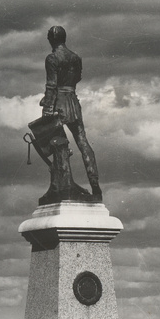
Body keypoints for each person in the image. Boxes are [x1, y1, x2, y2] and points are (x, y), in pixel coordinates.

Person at [39, 26, 101, 202]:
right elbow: (78, 77)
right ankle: (95, 184)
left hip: (59, 103)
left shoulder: (52, 58)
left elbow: (51, 85)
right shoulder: (75, 58)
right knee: (83, 143)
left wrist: (47, 110)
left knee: (56, 144)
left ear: (51, 39)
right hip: (73, 102)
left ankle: (63, 184)